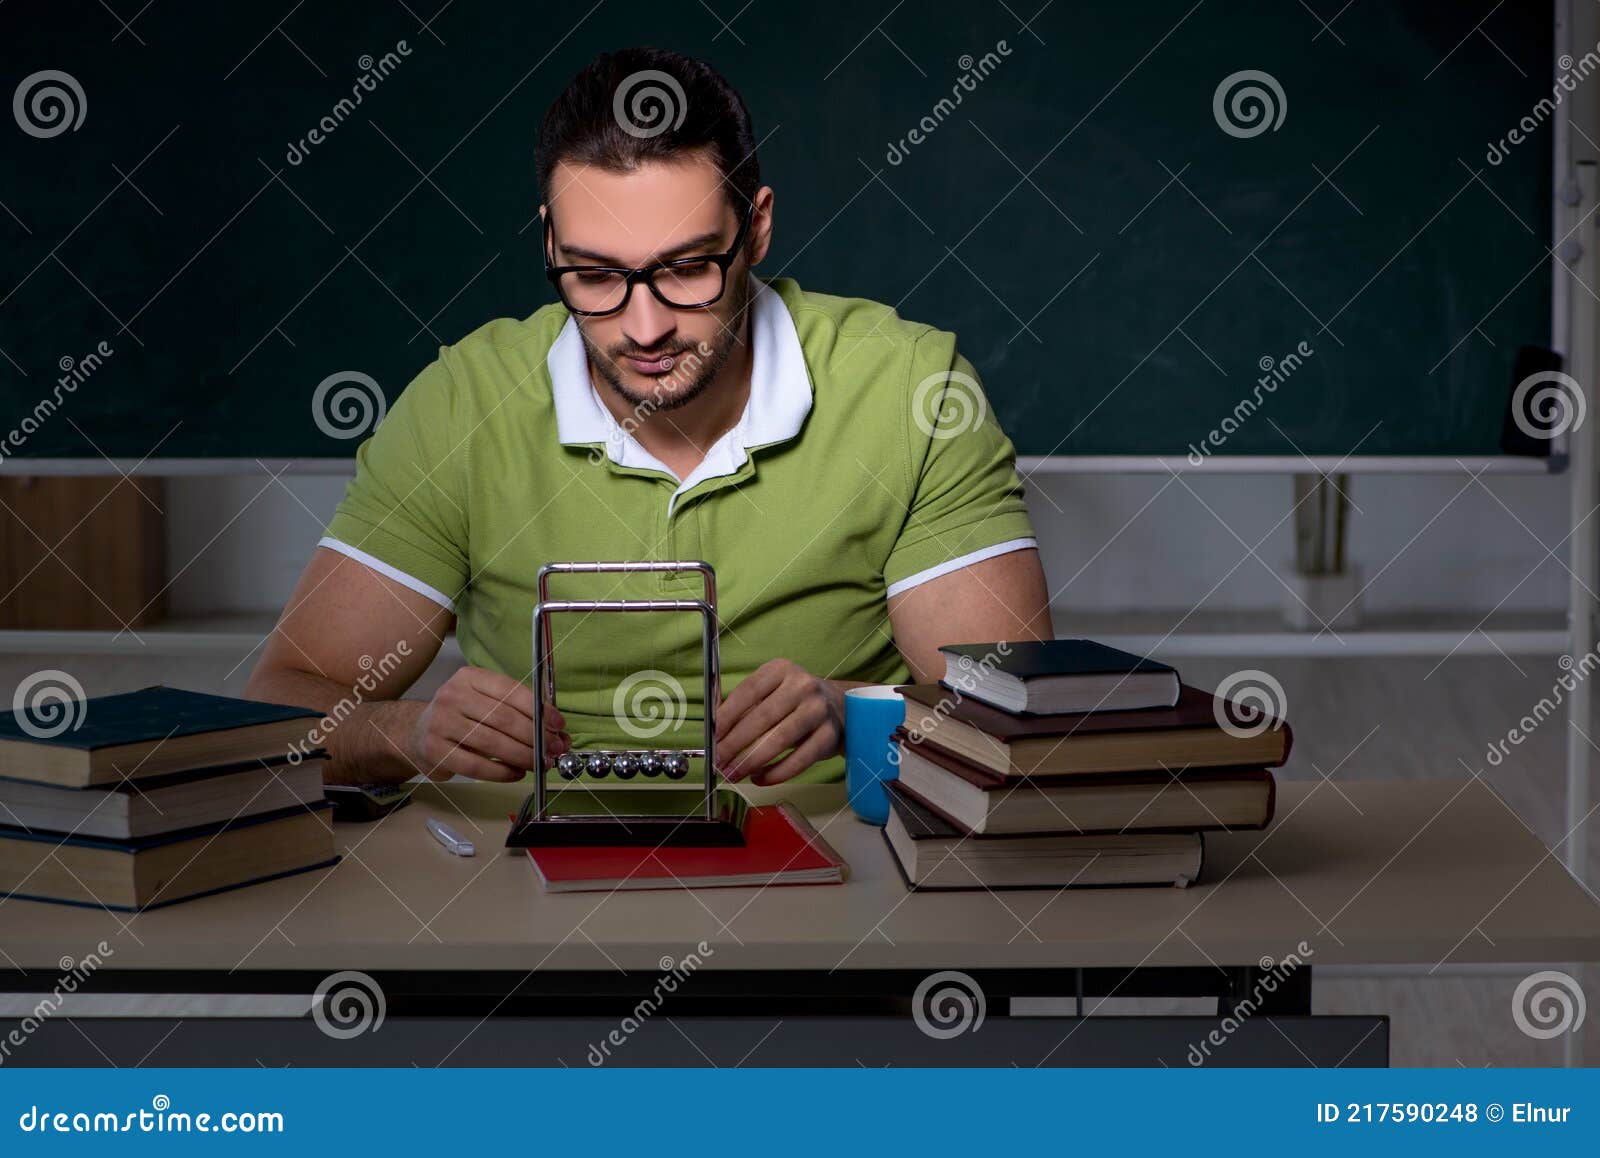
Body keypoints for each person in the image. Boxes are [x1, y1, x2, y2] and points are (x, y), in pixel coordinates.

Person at [245, 46, 1051, 788]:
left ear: (758, 227)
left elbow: (1016, 709)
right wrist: (406, 732)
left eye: (687, 267)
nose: (644, 328)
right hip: (519, 877)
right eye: (594, 275)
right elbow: (281, 706)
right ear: (550, 242)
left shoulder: (913, 391)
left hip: (828, 872)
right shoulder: (460, 404)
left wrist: (852, 712)